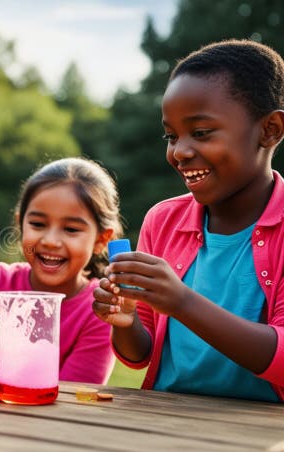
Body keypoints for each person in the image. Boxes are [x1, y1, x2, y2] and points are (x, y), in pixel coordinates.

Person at [92, 39, 284, 402]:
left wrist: (182, 302)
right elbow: (140, 354)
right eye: (171, 135)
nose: (179, 151)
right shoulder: (163, 220)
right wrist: (125, 320)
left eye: (200, 133)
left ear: (269, 129)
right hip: (167, 419)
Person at [0, 157, 120, 384]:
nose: (51, 241)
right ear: (20, 223)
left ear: (102, 239)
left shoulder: (98, 311)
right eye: (38, 224)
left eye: (71, 229)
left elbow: (72, 395)